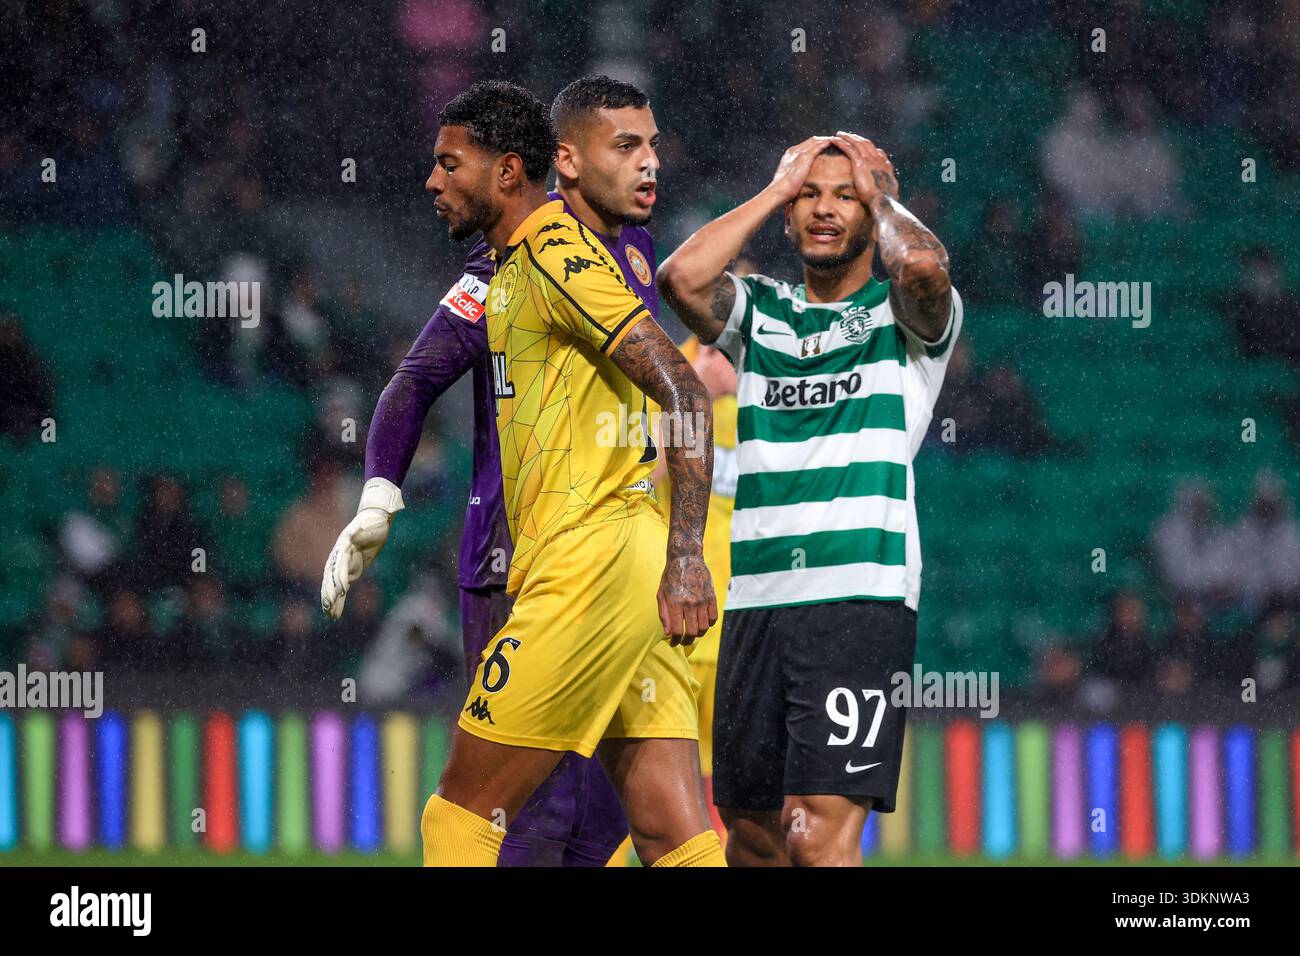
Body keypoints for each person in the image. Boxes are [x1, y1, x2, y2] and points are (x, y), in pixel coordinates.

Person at [328, 79, 723, 867]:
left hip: (588, 566)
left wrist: (687, 557)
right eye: (629, 146)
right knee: (668, 830)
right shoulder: (500, 270)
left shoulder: (554, 253)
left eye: (450, 164)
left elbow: (681, 389)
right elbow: (415, 379)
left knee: (465, 818)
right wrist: (380, 490)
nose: (432, 182)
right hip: (599, 561)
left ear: (510, 170)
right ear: (566, 160)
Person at [658, 132, 961, 866]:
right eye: (810, 196)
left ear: (877, 209)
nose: (825, 209)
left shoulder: (907, 320)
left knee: (820, 836)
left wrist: (879, 190)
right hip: (757, 599)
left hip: (857, 599)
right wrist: (771, 190)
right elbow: (680, 281)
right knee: (754, 834)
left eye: (845, 195)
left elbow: (923, 265)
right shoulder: (762, 313)